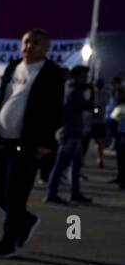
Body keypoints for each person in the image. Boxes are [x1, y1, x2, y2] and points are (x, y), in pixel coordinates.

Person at [0, 28, 62, 258]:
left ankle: (9, 241)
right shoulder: (13, 67)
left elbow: (55, 110)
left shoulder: (52, 73)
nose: (28, 47)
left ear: (46, 48)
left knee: (16, 195)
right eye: (26, 42)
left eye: (35, 43)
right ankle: (25, 220)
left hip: (29, 143)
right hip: (3, 140)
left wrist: (46, 142)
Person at [45, 65, 93, 205]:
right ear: (76, 77)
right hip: (69, 134)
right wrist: (91, 91)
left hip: (72, 133)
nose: (86, 80)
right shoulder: (73, 92)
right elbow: (88, 106)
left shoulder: (68, 88)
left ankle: (74, 192)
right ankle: (51, 194)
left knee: (75, 166)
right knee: (60, 166)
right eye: (84, 77)